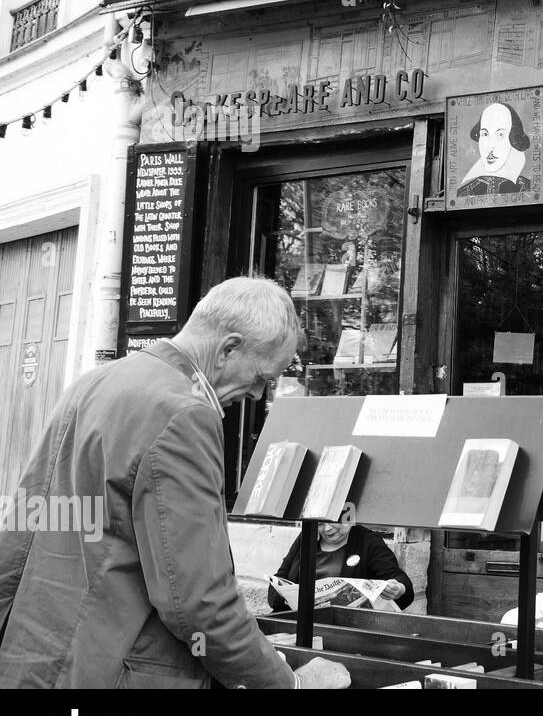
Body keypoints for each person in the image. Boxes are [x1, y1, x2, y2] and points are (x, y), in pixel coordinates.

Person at [0, 277, 349, 689]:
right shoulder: (185, 415)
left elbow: (21, 529)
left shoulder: (93, 382)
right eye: (261, 377)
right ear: (228, 348)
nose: (258, 394)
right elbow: (198, 604)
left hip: (31, 659)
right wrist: (287, 683)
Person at [267, 521, 415, 613]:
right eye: (320, 524)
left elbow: (399, 581)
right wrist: (287, 597)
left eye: (333, 522)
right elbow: (278, 582)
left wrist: (398, 589)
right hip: (300, 625)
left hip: (346, 631)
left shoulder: (368, 541)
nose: (327, 529)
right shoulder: (306, 538)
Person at [455, 101, 533, 197]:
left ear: (513, 139)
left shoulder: (528, 189)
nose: (490, 146)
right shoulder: (464, 193)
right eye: (485, 134)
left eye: (500, 135)